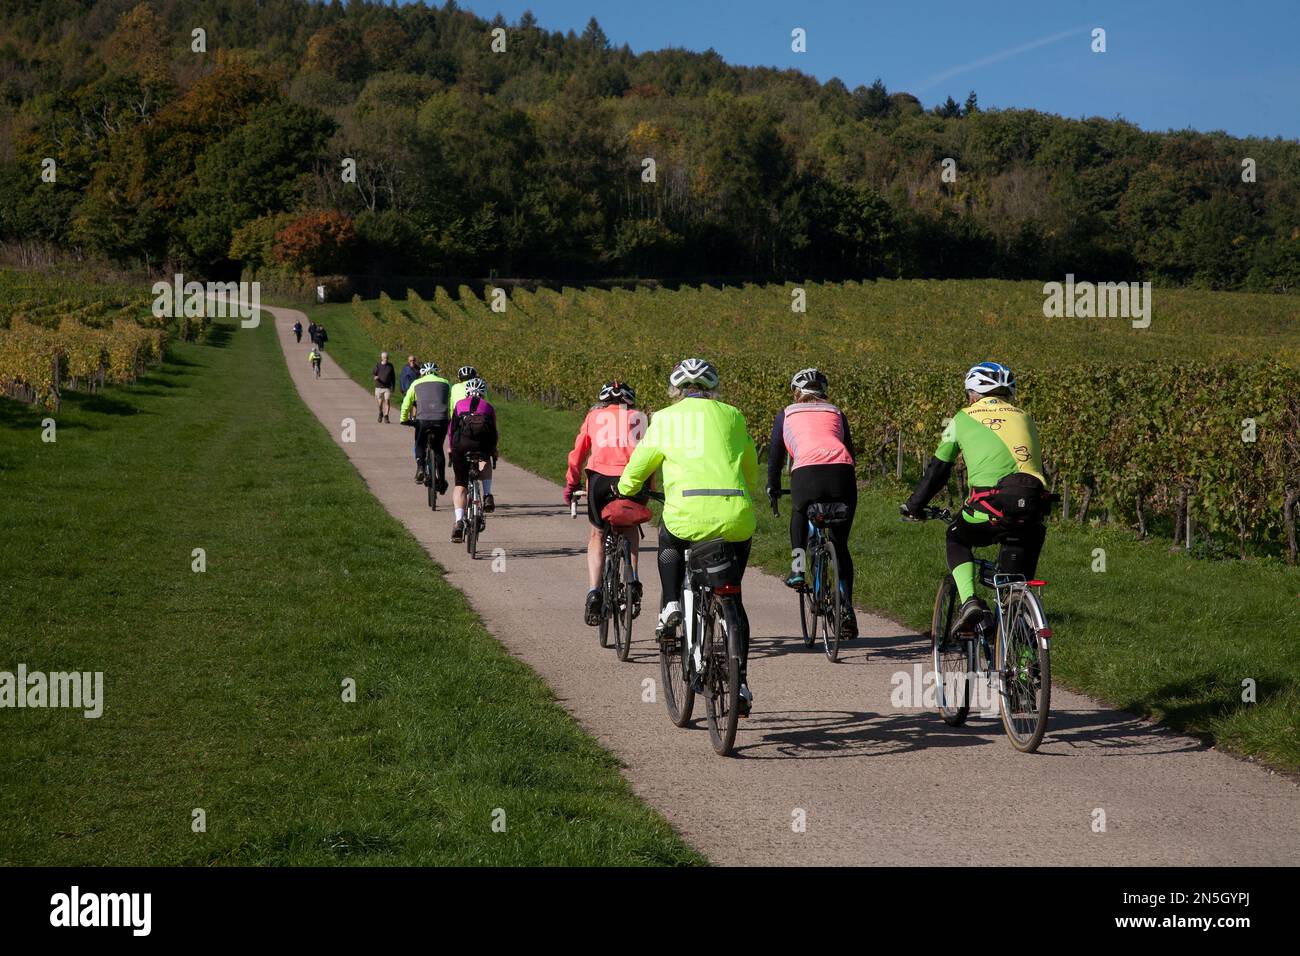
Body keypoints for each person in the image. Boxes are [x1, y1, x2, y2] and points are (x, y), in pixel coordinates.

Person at [618, 358, 758, 714]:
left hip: (686, 516)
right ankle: (740, 683)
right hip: (735, 516)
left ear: (676, 391)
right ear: (713, 390)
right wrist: (747, 490)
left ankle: (670, 606)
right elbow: (750, 467)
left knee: (668, 541)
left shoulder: (664, 418)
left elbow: (640, 464)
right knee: (733, 595)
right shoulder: (733, 415)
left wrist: (627, 487)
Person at [901, 362, 1049, 633]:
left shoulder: (961, 418)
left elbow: (938, 470)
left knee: (956, 536)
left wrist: (914, 506)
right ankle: (1026, 662)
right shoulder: (1025, 417)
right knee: (1015, 586)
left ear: (973, 393)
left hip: (988, 510)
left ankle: (970, 601)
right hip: (1031, 512)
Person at [766, 368, 859, 639]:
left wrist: (772, 486)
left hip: (806, 473)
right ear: (823, 392)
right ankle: (847, 608)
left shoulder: (787, 413)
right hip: (842, 472)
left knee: (799, 511)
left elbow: (775, 454)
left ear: (797, 392)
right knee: (840, 545)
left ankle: (798, 567)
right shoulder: (837, 412)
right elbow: (849, 449)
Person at [564, 381, 650, 626]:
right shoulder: (639, 418)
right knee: (630, 527)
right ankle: (632, 579)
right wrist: (650, 488)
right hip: (632, 479)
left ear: (604, 401)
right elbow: (648, 456)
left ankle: (594, 590)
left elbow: (578, 453)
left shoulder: (594, 416)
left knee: (597, 535)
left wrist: (572, 483)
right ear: (630, 401)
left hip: (600, 480)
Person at [448, 377, 498, 542]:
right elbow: (494, 433)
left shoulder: (459, 405)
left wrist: (451, 447)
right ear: (483, 392)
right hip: (481, 448)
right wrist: (493, 451)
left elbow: (452, 429)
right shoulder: (488, 407)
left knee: (460, 485)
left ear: (467, 391)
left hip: (461, 447)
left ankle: (458, 521)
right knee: (485, 462)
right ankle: (488, 494)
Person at [399, 362, 451, 489]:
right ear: (436, 372)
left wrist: (404, 419)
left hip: (423, 420)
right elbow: (451, 400)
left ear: (422, 373)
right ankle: (442, 480)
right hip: (441, 419)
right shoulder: (445, 382)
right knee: (438, 448)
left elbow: (407, 402)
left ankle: (420, 467)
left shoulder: (416, 383)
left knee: (420, 443)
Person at [373, 351, 396, 423]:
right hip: (379, 387)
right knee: (380, 403)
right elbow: (373, 374)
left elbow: (393, 377)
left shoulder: (390, 366)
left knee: (387, 400)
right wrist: (375, 377)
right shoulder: (378, 365)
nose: (386, 359)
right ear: (382, 358)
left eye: (387, 358)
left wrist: (393, 386)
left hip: (387, 387)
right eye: (385, 358)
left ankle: (386, 416)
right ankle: (380, 413)